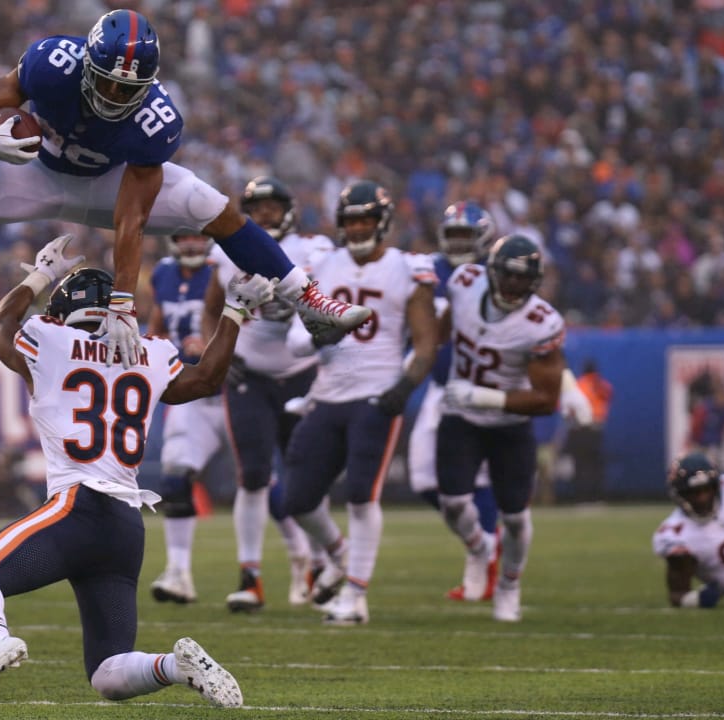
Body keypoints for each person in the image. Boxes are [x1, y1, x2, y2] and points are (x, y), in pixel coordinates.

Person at [0, 9, 372, 369]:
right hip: (39, 168)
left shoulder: (156, 120)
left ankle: (309, 301)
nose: (114, 93)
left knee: (215, 208)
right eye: (107, 79)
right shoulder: (52, 63)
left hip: (111, 185)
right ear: (88, 63)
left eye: (127, 87)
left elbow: (130, 220)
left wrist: (122, 304)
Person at [0, 234, 256, 708]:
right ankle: (175, 666)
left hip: (77, 507)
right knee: (109, 675)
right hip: (125, 523)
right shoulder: (151, 352)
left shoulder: (49, 341)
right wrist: (234, 312)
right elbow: (207, 377)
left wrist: (41, 273)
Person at [281, 180, 439, 626]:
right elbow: (296, 342)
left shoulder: (409, 268)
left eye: (366, 220)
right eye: (351, 221)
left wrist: (403, 389)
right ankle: (339, 554)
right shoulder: (322, 264)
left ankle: (355, 595)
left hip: (376, 394)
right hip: (327, 395)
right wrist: (318, 336)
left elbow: (426, 344)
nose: (358, 228)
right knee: (297, 498)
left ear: (383, 222)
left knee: (361, 495)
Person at [203, 177, 332, 612]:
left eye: (271, 208)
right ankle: (251, 576)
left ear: (288, 210)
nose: (264, 216)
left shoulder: (315, 250)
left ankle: (317, 565)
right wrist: (221, 351)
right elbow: (210, 311)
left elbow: (329, 303)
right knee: (253, 475)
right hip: (250, 377)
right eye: (256, 209)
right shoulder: (226, 252)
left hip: (301, 373)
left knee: (306, 476)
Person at [434, 234, 565, 623]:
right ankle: (478, 547)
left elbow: (546, 400)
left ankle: (509, 585)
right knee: (453, 503)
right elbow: (442, 328)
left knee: (515, 517)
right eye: (507, 277)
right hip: (461, 417)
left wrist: (482, 396)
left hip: (509, 424)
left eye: (522, 281)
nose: (513, 287)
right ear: (492, 272)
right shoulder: (463, 283)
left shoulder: (541, 323)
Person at [405, 201, 503, 601]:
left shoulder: (497, 276)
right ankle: (483, 546)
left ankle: (485, 565)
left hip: (483, 389)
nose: (460, 242)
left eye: (467, 235)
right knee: (425, 478)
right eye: (455, 235)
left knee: (477, 480)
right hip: (440, 388)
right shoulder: (426, 270)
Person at [143, 230, 225, 604]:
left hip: (238, 392)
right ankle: (178, 573)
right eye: (184, 237)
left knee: (273, 488)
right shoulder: (162, 273)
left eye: (198, 237)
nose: (192, 245)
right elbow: (157, 325)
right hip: (190, 395)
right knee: (175, 479)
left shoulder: (226, 268)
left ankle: (316, 563)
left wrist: (211, 346)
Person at [652, 451, 724, 608]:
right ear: (680, 493)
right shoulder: (675, 534)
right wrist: (698, 599)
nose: (702, 498)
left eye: (706, 489)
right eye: (694, 492)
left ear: (715, 486)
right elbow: (678, 594)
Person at [570, 359, 613, 501]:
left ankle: (582, 497)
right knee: (596, 465)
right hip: (596, 428)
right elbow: (609, 394)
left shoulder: (580, 384)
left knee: (581, 464)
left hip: (581, 429)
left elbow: (570, 407)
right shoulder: (601, 384)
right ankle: (597, 497)